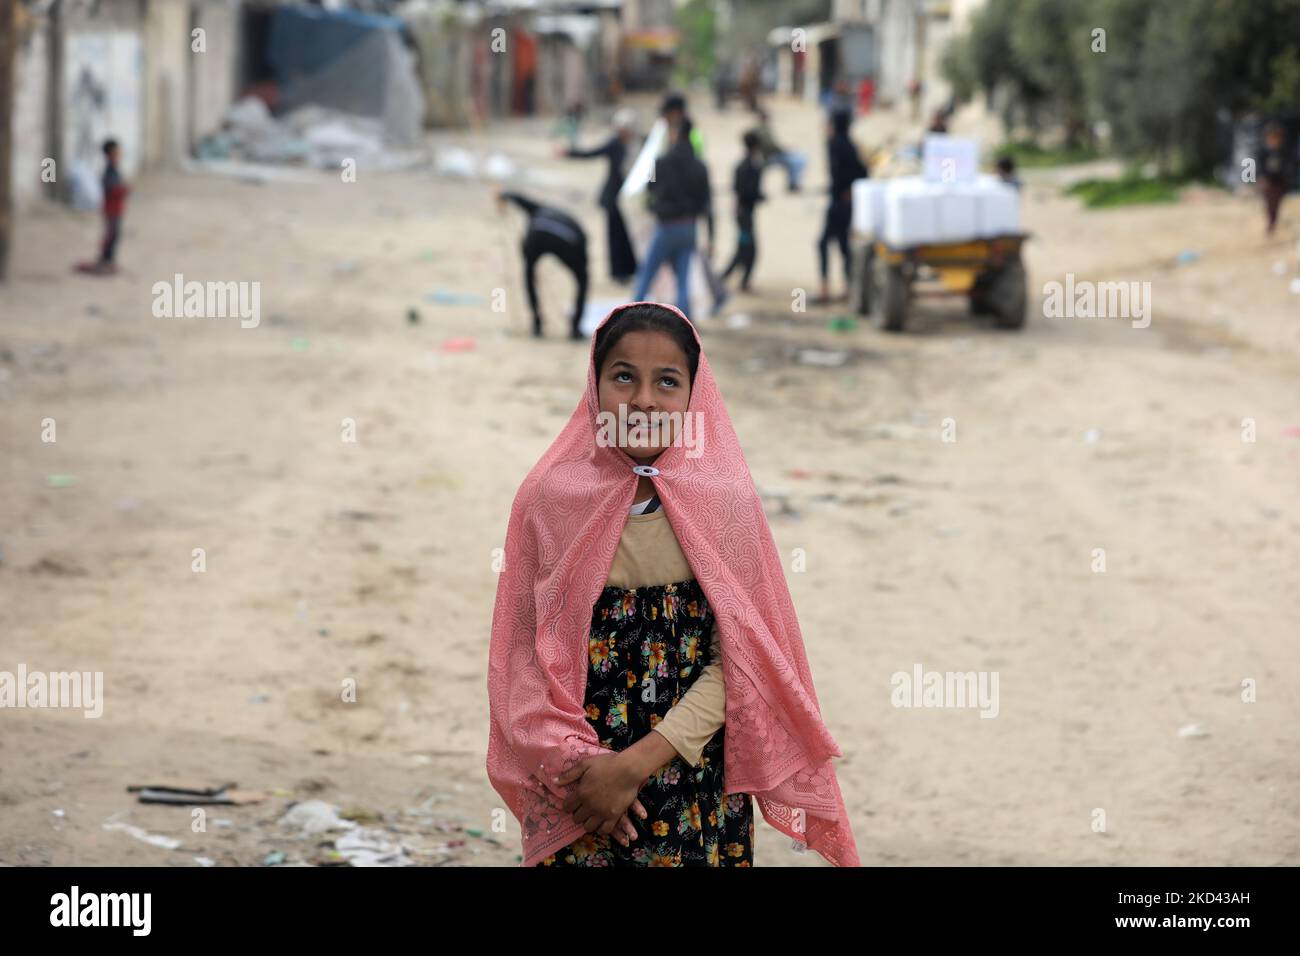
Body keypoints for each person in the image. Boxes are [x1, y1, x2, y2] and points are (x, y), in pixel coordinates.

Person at [486, 300, 861, 868]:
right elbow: (519, 659)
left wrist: (633, 766)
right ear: (593, 385)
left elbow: (745, 660)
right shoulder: (549, 499)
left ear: (695, 395)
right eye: (622, 376)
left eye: (667, 381)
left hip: (691, 777)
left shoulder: (724, 505)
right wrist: (581, 769)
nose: (642, 400)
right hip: (577, 789)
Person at [632, 118, 714, 319]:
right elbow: (707, 203)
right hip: (689, 227)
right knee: (683, 278)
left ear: (675, 134)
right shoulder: (701, 166)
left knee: (647, 272)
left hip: (666, 226)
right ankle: (686, 320)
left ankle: (631, 314)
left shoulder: (658, 162)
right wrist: (712, 237)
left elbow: (649, 185)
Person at [558, 110, 638, 282]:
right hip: (611, 198)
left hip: (624, 198)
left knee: (623, 234)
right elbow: (591, 153)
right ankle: (618, 272)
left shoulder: (633, 146)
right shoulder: (614, 144)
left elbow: (647, 168)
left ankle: (630, 268)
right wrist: (570, 153)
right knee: (615, 236)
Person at [497, 189, 588, 340]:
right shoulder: (567, 219)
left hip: (536, 236)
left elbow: (518, 198)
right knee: (582, 280)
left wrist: (503, 195)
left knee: (529, 274)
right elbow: (583, 244)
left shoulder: (538, 209)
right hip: (569, 240)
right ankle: (575, 328)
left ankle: (537, 324)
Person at [816, 109, 868, 305]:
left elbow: (839, 174)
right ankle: (848, 286)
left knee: (823, 243)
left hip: (839, 203)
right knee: (844, 246)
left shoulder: (834, 145)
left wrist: (844, 190)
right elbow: (863, 171)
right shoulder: (850, 145)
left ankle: (825, 288)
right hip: (846, 202)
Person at [721, 131, 766, 292]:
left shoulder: (740, 165)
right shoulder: (753, 166)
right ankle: (738, 280)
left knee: (743, 248)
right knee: (748, 249)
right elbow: (749, 192)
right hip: (745, 215)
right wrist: (759, 196)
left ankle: (724, 278)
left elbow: (738, 189)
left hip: (740, 213)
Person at [96, 138, 129, 274]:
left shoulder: (114, 167)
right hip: (112, 209)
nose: (120, 153)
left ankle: (108, 261)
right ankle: (106, 261)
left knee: (114, 235)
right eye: (117, 150)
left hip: (116, 208)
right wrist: (123, 189)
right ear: (111, 152)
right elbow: (110, 188)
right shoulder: (109, 169)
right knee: (112, 235)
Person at [752, 108, 805, 192]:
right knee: (798, 160)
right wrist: (784, 150)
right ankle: (793, 184)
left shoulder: (761, 128)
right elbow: (770, 146)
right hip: (769, 157)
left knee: (797, 158)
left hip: (769, 155)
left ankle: (793, 183)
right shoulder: (762, 130)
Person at [1259, 122, 1292, 236]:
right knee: (1269, 204)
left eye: (1276, 138)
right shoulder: (1263, 151)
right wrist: (1262, 179)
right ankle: (1270, 223)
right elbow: (1260, 166)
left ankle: (1273, 222)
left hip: (1280, 182)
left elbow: (1289, 166)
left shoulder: (1284, 151)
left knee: (1276, 204)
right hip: (1269, 182)